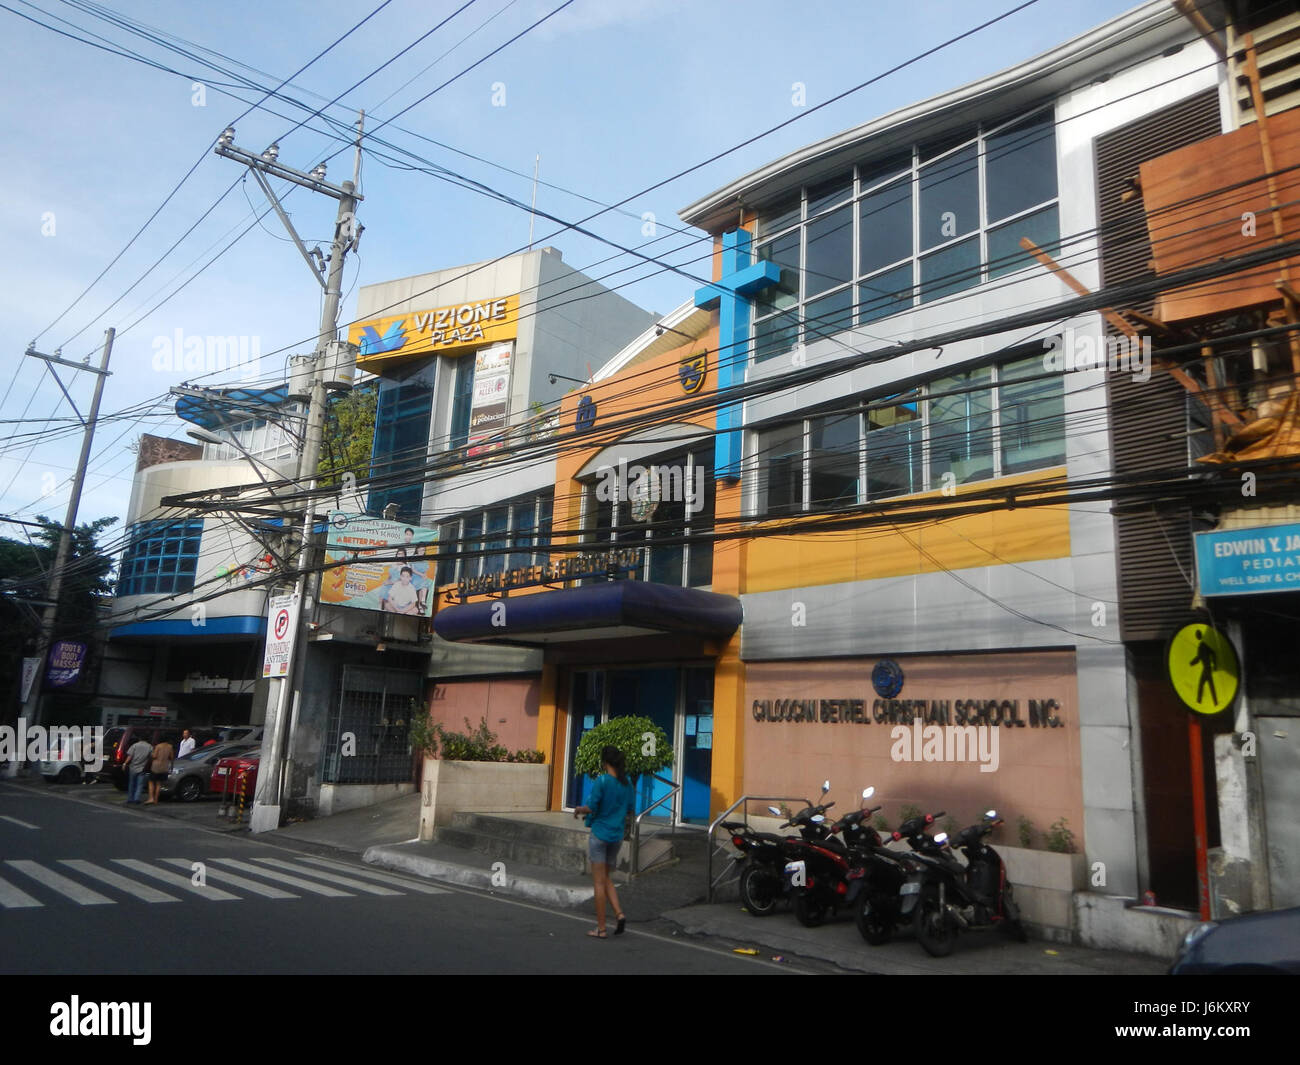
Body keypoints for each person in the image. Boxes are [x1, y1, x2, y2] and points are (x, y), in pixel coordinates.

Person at [573, 745, 634, 939]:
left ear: (605, 762)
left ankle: (601, 929)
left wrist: (579, 809)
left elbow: (591, 807)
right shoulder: (627, 783)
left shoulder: (603, 781)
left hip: (600, 834)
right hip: (616, 836)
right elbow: (630, 809)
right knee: (606, 878)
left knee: (598, 882)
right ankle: (619, 913)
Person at [124, 735, 153, 805]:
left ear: (140, 739)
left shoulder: (135, 745)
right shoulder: (150, 746)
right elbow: (152, 757)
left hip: (133, 767)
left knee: (131, 784)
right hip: (142, 768)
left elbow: (130, 756)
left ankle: (130, 799)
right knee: (139, 784)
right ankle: (136, 798)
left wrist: (125, 763)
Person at [145, 738, 174, 805]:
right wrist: (171, 767)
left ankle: (151, 798)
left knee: (151, 782)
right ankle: (156, 799)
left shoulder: (158, 746)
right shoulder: (170, 747)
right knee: (159, 784)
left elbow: (154, 756)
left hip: (155, 767)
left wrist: (151, 754)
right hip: (164, 767)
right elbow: (172, 757)